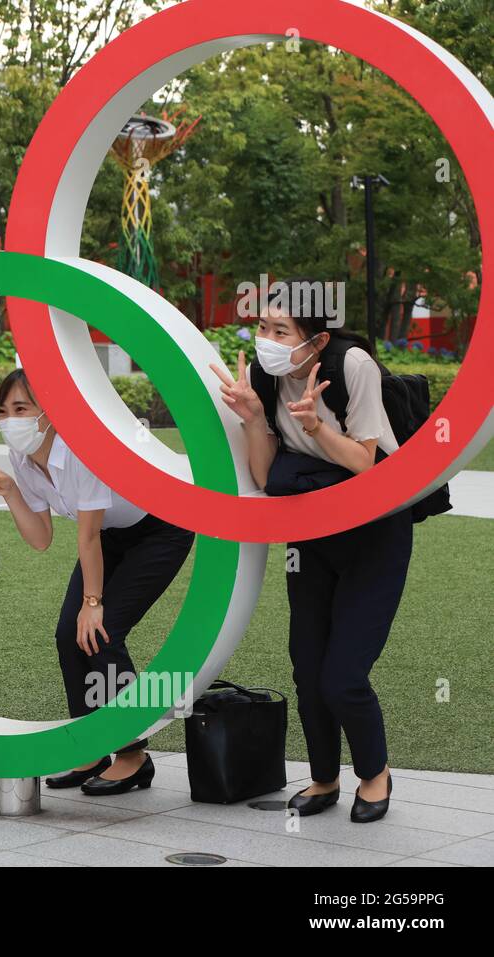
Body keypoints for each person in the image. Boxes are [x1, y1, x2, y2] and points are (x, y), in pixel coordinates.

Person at [210, 279, 409, 823]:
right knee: (307, 667)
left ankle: (375, 774)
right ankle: (324, 776)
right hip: (311, 535)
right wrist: (254, 417)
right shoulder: (264, 376)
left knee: (343, 675)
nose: (265, 340)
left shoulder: (352, 367)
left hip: (373, 532)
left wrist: (317, 424)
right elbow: (263, 474)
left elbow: (365, 464)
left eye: (280, 331)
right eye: (262, 328)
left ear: (316, 341)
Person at [0, 369, 193, 794]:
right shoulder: (22, 459)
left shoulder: (81, 448)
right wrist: (11, 492)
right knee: (69, 635)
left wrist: (93, 601)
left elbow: (86, 535)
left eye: (21, 409)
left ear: (47, 412)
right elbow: (42, 539)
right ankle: (90, 744)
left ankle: (132, 754)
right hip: (111, 535)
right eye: (3, 411)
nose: (10, 419)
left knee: (102, 632)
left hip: (160, 528)